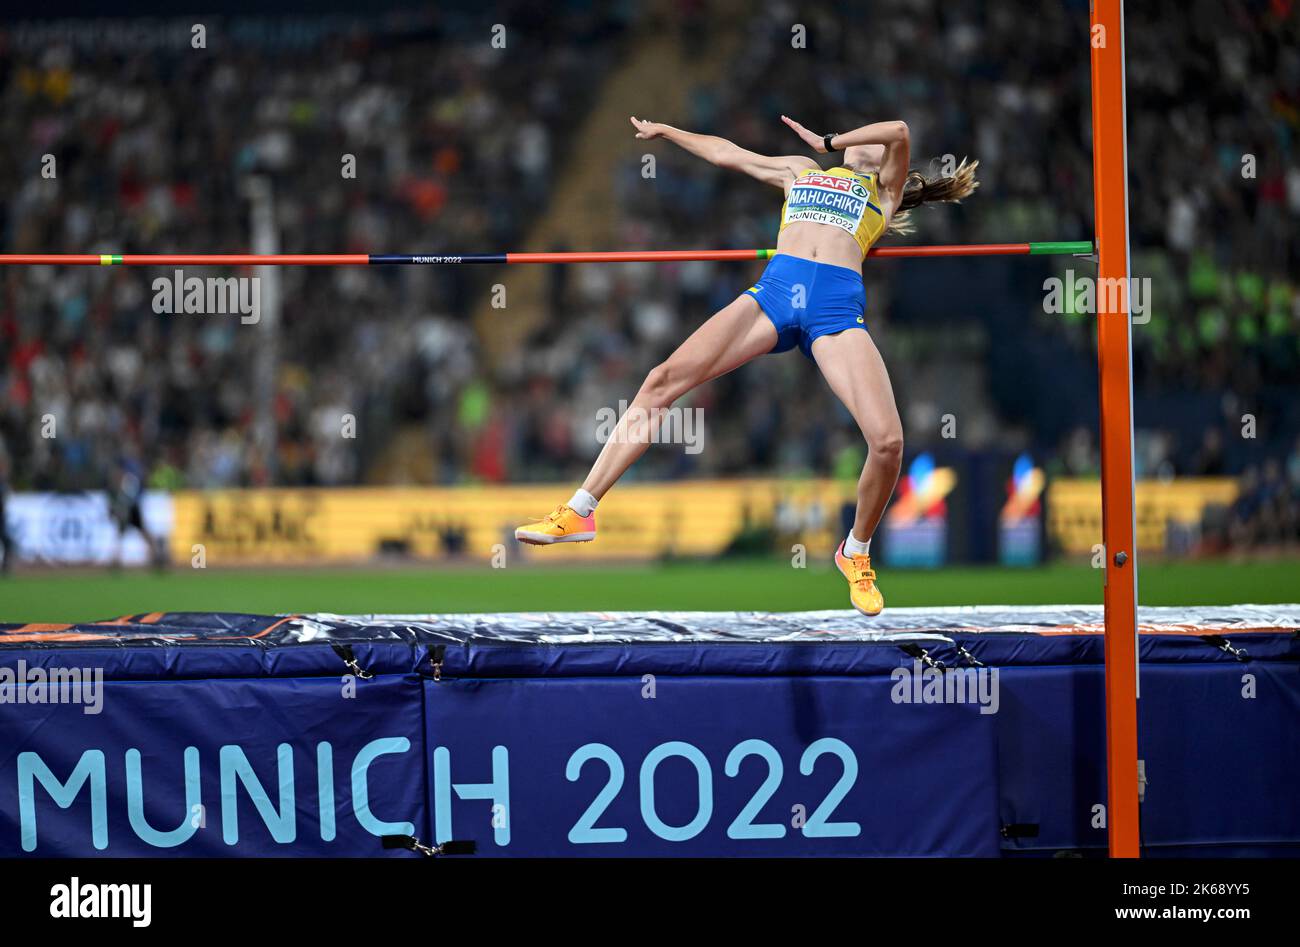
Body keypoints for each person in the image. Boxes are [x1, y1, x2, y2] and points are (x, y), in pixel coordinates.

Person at [515, 115, 978, 615]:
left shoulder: (884, 190)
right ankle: (580, 510)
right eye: (851, 138)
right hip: (776, 294)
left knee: (888, 442)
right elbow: (725, 152)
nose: (864, 139)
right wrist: (669, 133)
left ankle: (856, 552)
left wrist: (828, 139)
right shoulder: (800, 171)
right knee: (660, 382)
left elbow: (902, 132)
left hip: (835, 312)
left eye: (865, 138)